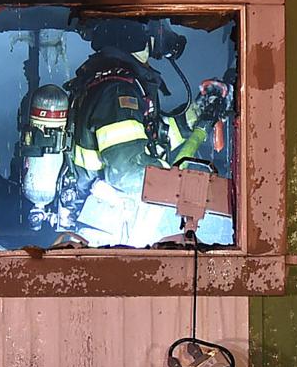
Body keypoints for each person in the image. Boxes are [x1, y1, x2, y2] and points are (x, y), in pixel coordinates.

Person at [64, 18, 230, 246]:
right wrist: (183, 181)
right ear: (139, 36)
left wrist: (198, 113)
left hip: (120, 220)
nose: (163, 34)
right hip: (115, 227)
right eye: (157, 27)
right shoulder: (117, 91)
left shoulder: (120, 84)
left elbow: (154, 137)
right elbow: (130, 172)